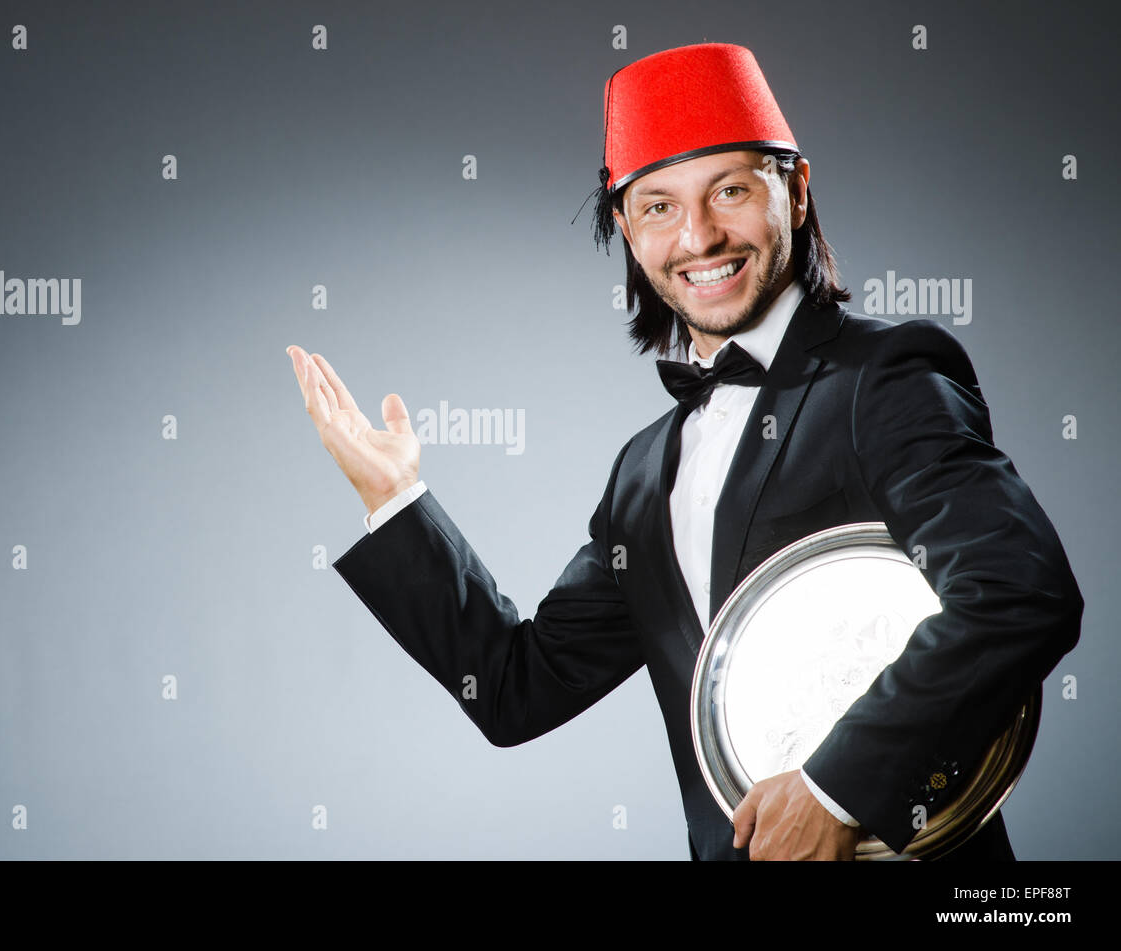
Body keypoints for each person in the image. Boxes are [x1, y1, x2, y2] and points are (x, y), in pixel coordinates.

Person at [284, 43, 1083, 860]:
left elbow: (1017, 593)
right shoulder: (641, 474)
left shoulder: (885, 377)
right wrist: (398, 501)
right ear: (627, 230)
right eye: (658, 206)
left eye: (730, 190)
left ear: (796, 194)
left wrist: (833, 789)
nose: (699, 236)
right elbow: (514, 691)